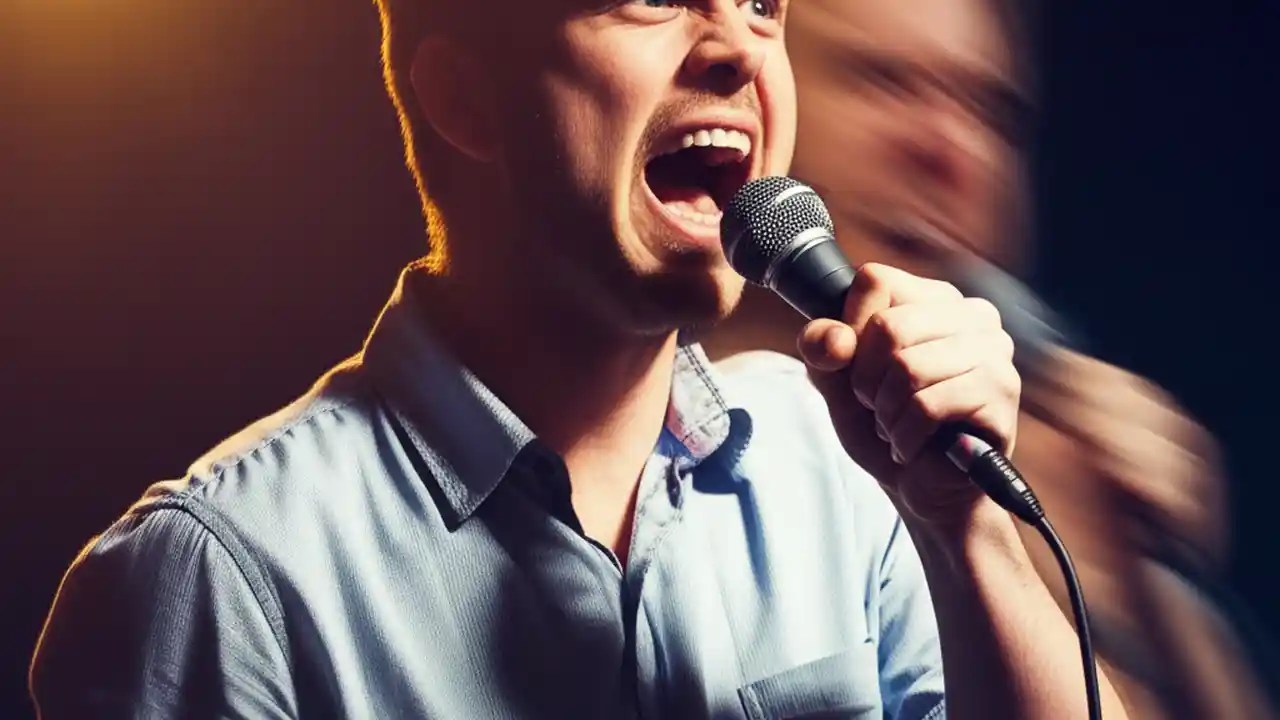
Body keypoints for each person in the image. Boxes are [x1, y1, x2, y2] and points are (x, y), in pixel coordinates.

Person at [30, 1, 1130, 717]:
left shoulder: (844, 470)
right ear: (462, 97)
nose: (735, 49)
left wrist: (964, 526)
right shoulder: (217, 584)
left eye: (762, 7)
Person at [704, 0, 1274, 717]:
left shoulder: (1025, 475)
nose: (951, 153)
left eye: (987, 110)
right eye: (884, 81)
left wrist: (1148, 602)